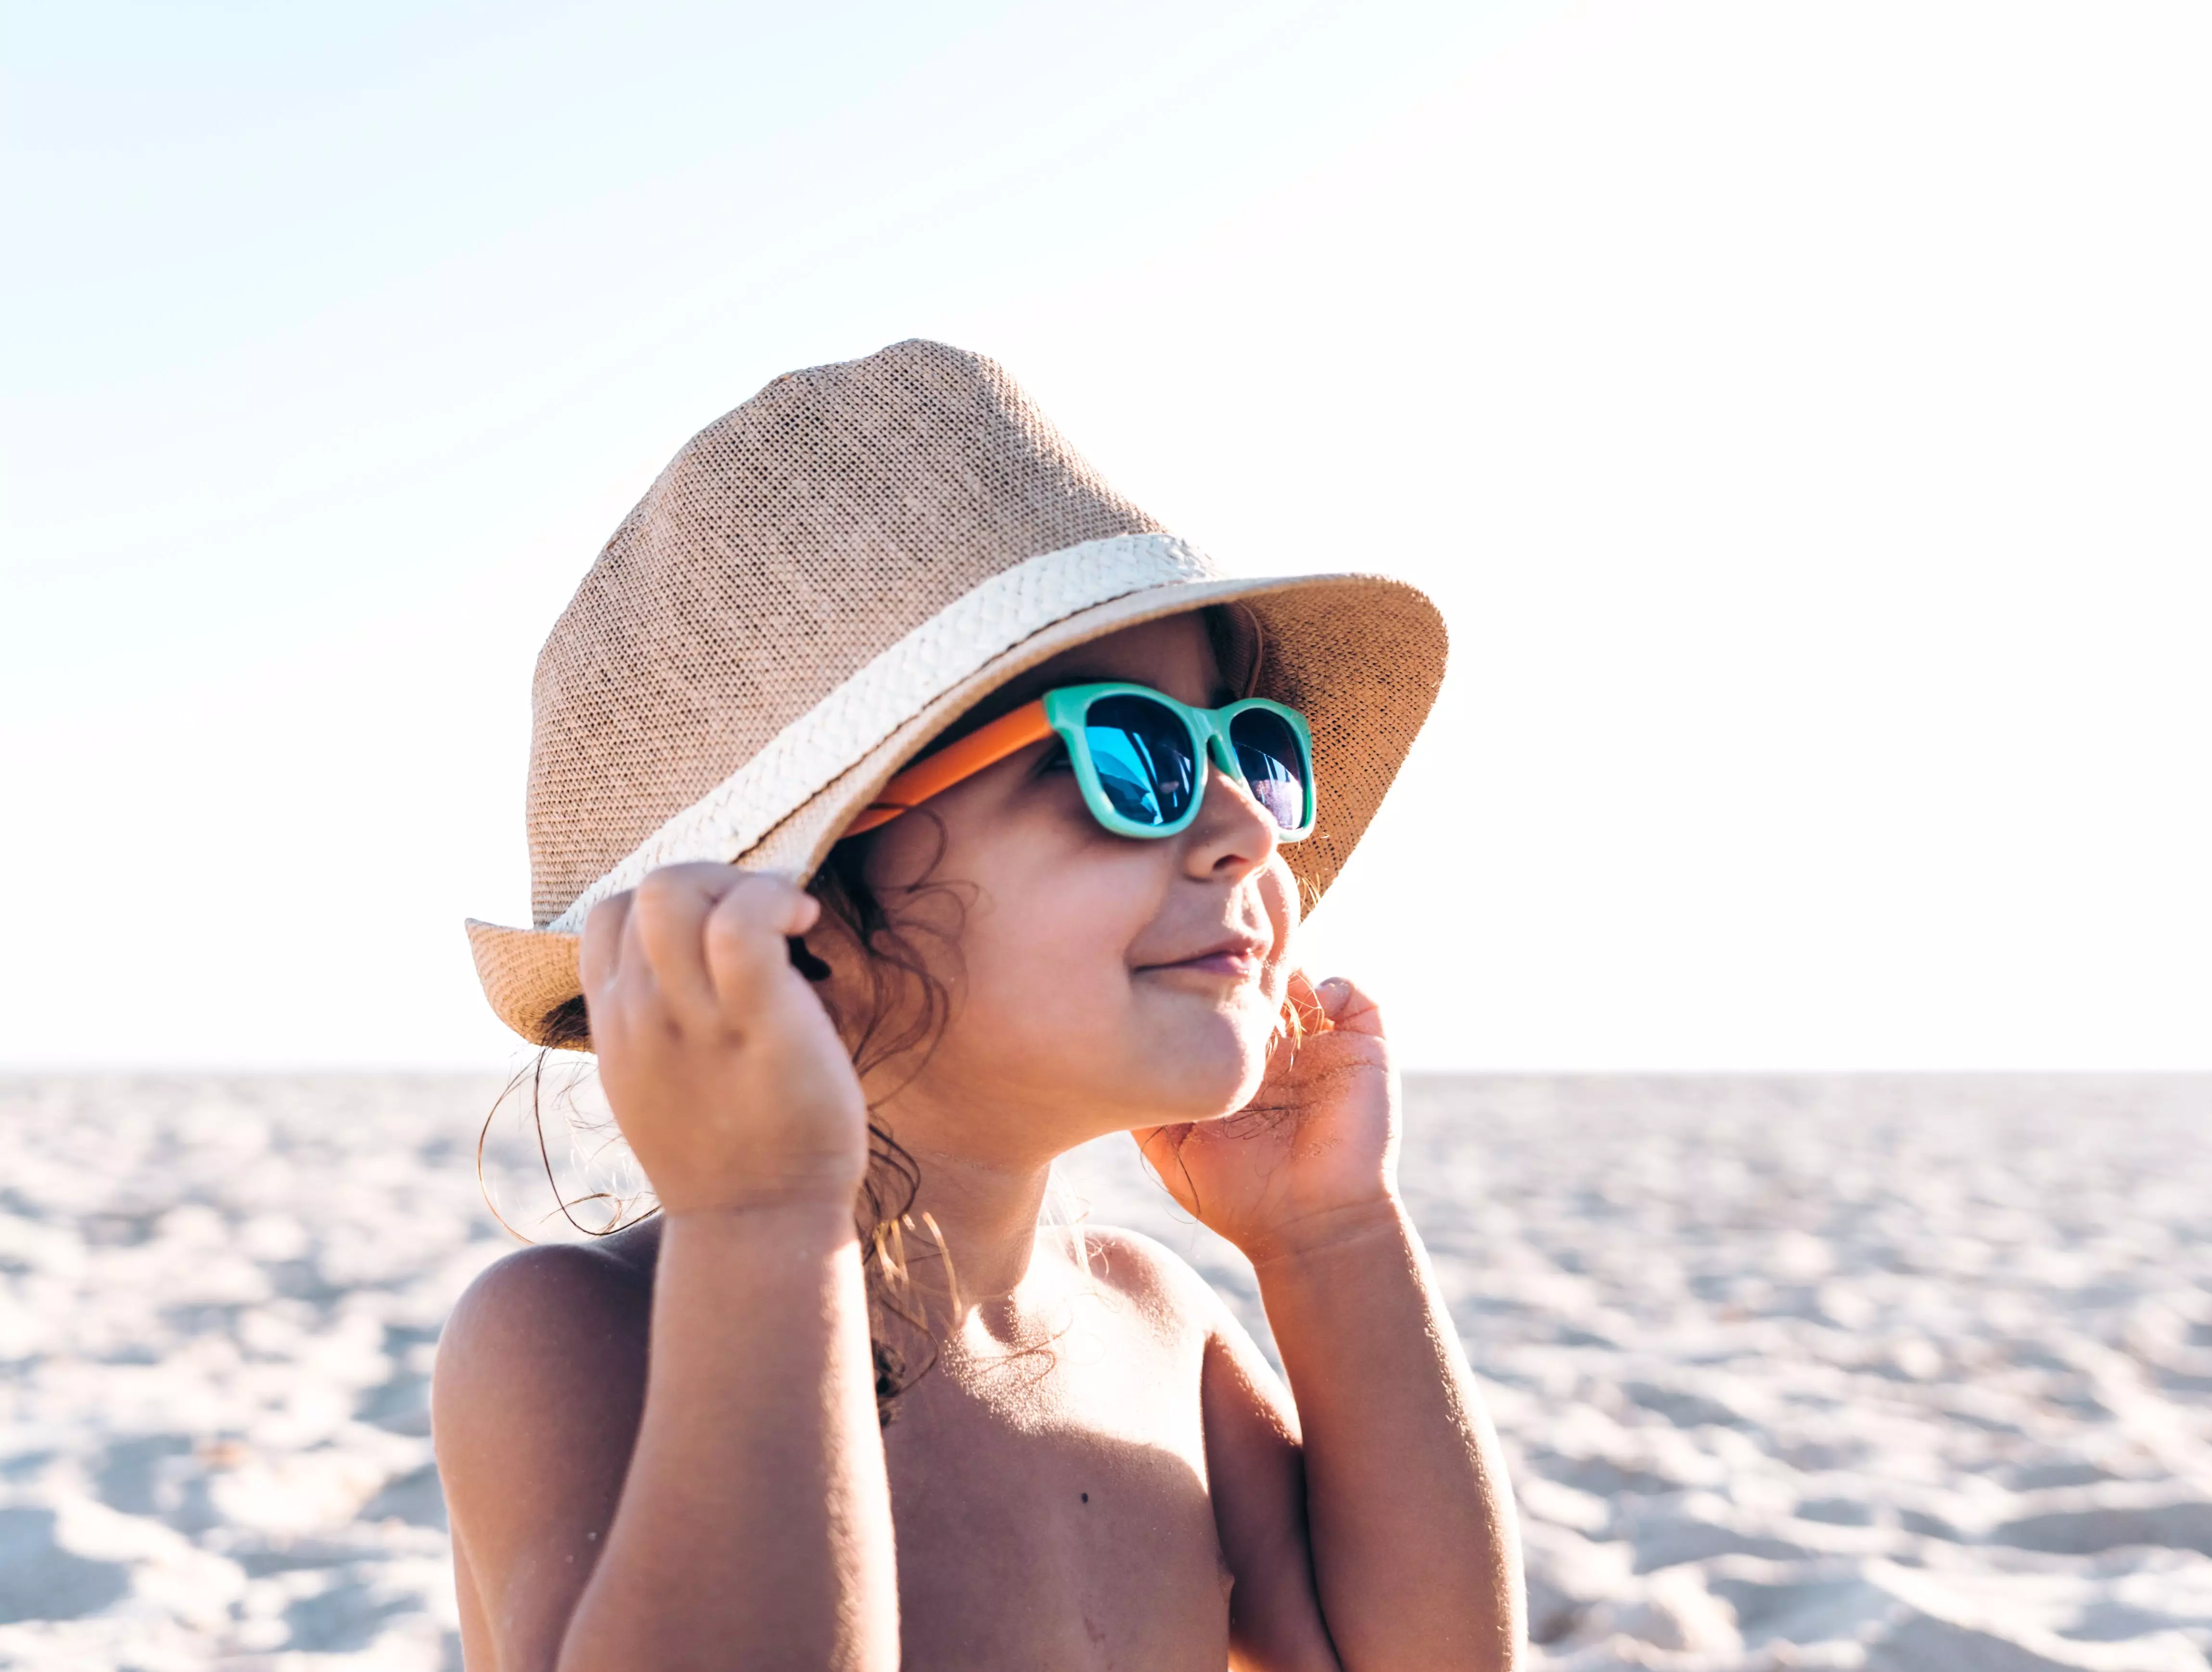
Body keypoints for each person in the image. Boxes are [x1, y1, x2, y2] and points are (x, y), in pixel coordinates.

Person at [432, 341, 1522, 1670]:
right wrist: (762, 1234)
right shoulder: (577, 1338)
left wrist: (1332, 1242)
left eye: (1253, 748)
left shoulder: (1150, 1322)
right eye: (1132, 754)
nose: (1246, 827)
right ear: (806, 915)